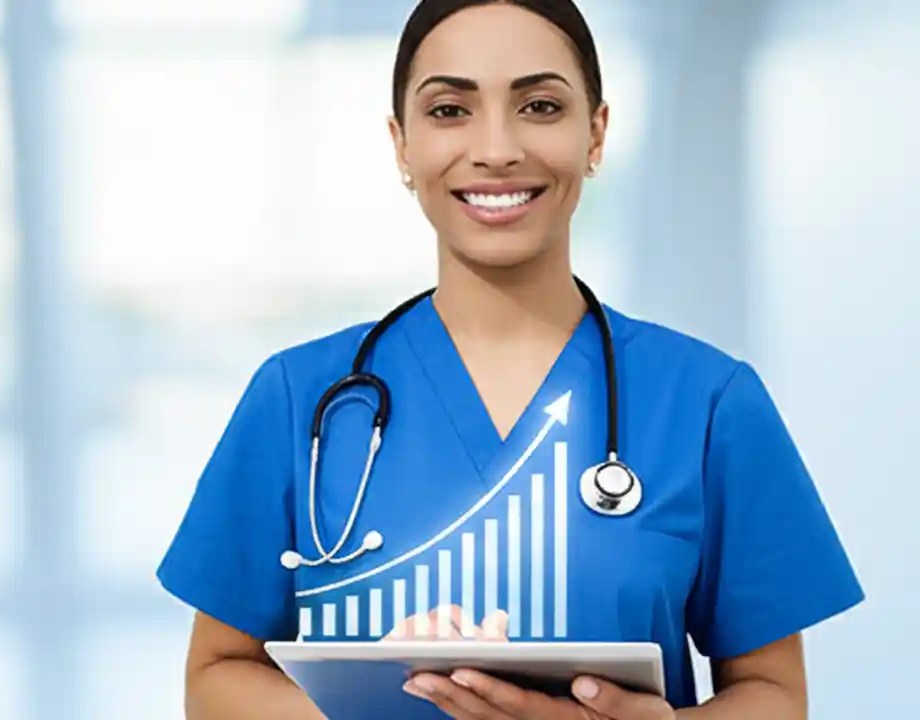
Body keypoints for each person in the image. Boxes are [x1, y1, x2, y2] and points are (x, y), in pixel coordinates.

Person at [155, 0, 865, 717]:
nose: (496, 148)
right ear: (401, 145)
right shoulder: (297, 398)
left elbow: (774, 694)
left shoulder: (709, 402)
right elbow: (217, 672)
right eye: (450, 111)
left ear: (596, 133)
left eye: (539, 105)